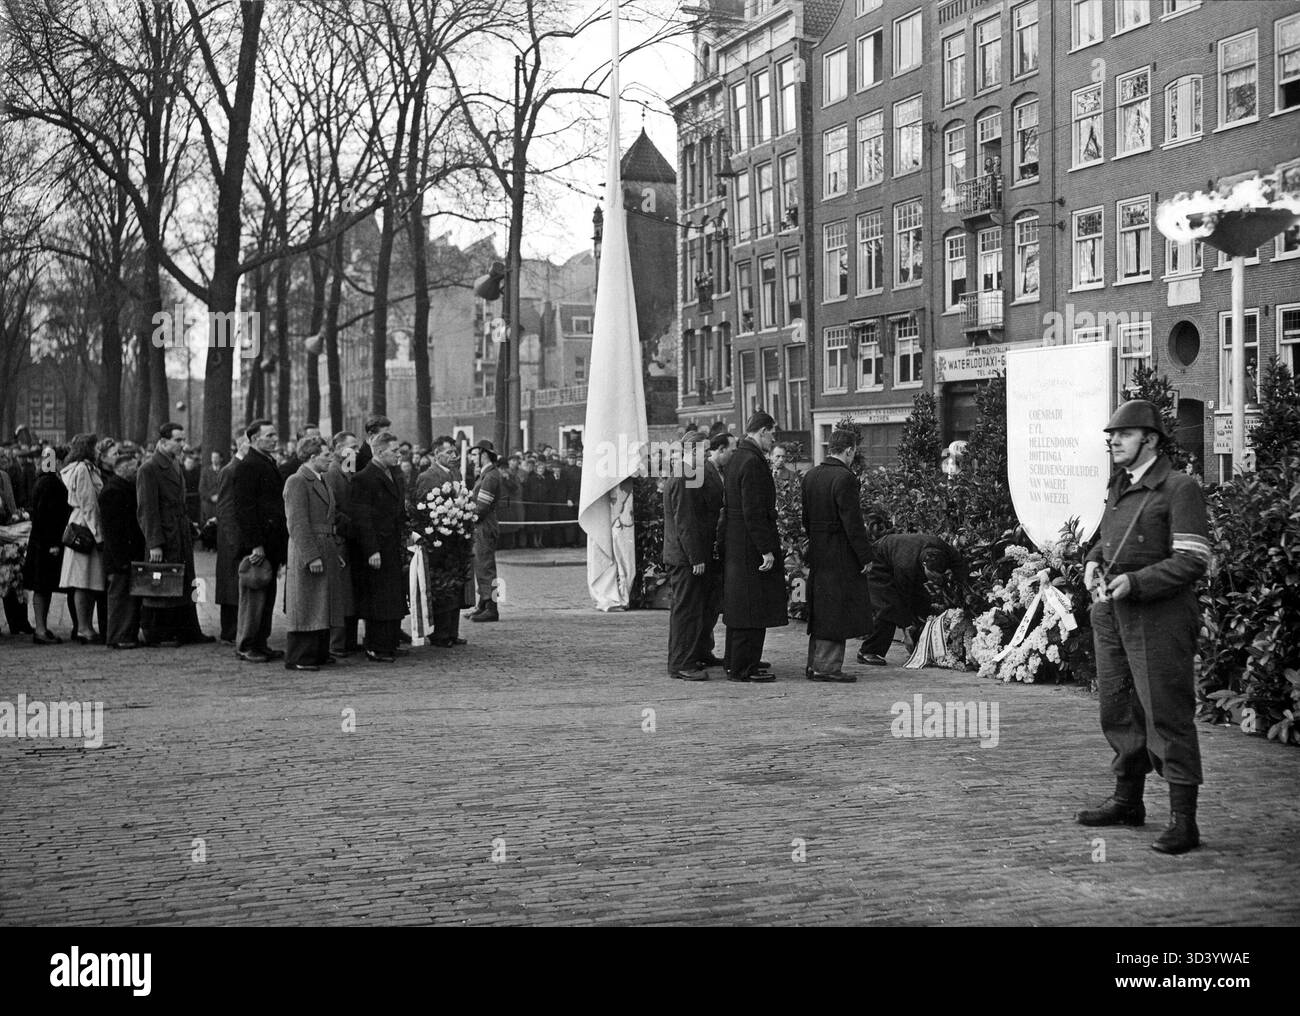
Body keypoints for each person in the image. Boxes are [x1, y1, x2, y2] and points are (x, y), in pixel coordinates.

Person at [1077, 400, 1212, 855]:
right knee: (1118, 711)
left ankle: (1183, 821)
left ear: (1150, 440)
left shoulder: (1179, 488)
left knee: (1165, 712)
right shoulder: (1121, 484)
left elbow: (1193, 559)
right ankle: (1127, 801)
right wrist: (1092, 561)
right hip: (1112, 615)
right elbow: (1105, 540)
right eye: (1111, 436)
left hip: (1160, 618)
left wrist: (1136, 582)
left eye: (1124, 434)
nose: (1114, 441)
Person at [801, 428, 873, 682]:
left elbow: (805, 519)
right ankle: (827, 667)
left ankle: (815, 663)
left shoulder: (811, 475)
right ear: (849, 450)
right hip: (840, 552)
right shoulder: (845, 478)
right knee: (836, 609)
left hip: (818, 549)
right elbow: (853, 523)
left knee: (821, 607)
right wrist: (865, 556)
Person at [719, 412, 786, 682]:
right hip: (750, 545)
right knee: (754, 606)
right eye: (772, 434)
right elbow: (754, 510)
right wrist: (765, 548)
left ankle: (735, 661)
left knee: (740, 606)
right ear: (762, 431)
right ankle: (745, 667)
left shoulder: (737, 457)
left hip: (737, 542)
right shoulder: (753, 462)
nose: (773, 440)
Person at [136, 423, 213, 646]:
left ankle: (188, 630)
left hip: (179, 533)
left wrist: (189, 526)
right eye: (178, 440)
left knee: (187, 582)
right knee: (161, 583)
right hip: (166, 536)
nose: (183, 444)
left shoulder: (174, 464)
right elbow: (147, 509)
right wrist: (154, 543)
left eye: (183, 439)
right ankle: (158, 633)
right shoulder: (149, 469)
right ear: (163, 442)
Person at [282, 436, 344, 672]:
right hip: (308, 549)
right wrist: (311, 556)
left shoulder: (321, 479)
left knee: (321, 603)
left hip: (324, 546)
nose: (331, 459)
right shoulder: (297, 481)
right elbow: (297, 523)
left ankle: (317, 652)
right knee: (307, 604)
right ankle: (300, 656)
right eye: (326, 455)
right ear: (312, 456)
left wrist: (333, 551)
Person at [858, 533, 963, 666]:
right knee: (889, 608)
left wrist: (963, 592)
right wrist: (906, 632)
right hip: (879, 562)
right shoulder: (906, 566)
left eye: (938, 577)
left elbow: (961, 566)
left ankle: (922, 646)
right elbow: (903, 598)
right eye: (932, 576)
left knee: (924, 603)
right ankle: (868, 651)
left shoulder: (946, 551)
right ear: (924, 565)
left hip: (903, 556)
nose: (935, 581)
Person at [233, 419, 289, 663]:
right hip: (259, 545)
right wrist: (255, 544)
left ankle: (260, 642)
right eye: (269, 436)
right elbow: (244, 509)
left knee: (266, 597)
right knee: (254, 596)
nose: (275, 439)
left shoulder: (265, 462)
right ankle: (246, 645)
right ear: (255, 439)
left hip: (270, 543)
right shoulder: (249, 466)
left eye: (275, 435)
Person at [351, 432, 407, 661]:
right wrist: (371, 549)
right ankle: (375, 645)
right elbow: (362, 518)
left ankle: (389, 642)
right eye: (394, 451)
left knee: (392, 595)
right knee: (378, 598)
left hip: (391, 544)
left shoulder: (392, 473)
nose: (399, 455)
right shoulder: (364, 478)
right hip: (378, 547)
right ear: (380, 451)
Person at [662, 431, 713, 680]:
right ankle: (682, 664)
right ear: (693, 451)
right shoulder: (685, 476)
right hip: (684, 558)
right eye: (705, 451)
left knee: (686, 610)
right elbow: (685, 522)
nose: (708, 456)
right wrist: (696, 557)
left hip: (680, 555)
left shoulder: (683, 474)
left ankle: (685, 659)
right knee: (685, 612)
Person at [413, 435, 468, 647]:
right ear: (437, 454)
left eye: (455, 452)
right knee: (441, 586)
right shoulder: (427, 476)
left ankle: (452, 631)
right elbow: (422, 509)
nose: (454, 456)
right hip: (438, 538)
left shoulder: (456, 473)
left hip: (456, 536)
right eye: (449, 452)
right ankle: (439, 633)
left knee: (456, 584)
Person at [59, 433, 106, 645]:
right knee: (83, 580)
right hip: (86, 527)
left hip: (80, 523)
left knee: (86, 579)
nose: (97, 451)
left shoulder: (78, 468)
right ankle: (83, 627)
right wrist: (98, 534)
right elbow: (89, 505)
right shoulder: (83, 470)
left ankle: (85, 626)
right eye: (95, 447)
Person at [99, 443, 145, 649]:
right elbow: (112, 532)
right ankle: (118, 635)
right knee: (119, 597)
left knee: (127, 597)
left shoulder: (120, 488)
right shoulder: (113, 492)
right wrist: (121, 560)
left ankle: (126, 634)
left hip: (125, 554)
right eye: (134, 469)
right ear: (124, 470)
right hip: (120, 556)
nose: (137, 473)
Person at [22, 446, 70, 644]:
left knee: (43, 586)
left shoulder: (42, 481)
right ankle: (40, 629)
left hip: (41, 542)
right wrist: (53, 543)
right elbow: (47, 516)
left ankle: (41, 627)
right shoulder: (50, 483)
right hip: (46, 543)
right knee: (42, 586)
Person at [698, 432, 734, 666]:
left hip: (718, 545)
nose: (733, 454)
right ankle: (699, 650)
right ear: (720, 449)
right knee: (705, 604)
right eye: (731, 449)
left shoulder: (723, 471)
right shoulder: (703, 471)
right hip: (708, 545)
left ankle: (706, 650)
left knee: (713, 604)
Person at [324, 430, 360, 658]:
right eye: (352, 447)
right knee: (340, 593)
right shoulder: (332, 473)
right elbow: (332, 509)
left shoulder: (348, 470)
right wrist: (352, 524)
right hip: (340, 539)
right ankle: (337, 643)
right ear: (338, 449)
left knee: (350, 594)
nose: (356, 451)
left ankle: (348, 640)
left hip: (349, 537)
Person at [214, 431, 248, 644]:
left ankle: (237, 628)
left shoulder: (241, 468)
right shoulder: (230, 470)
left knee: (235, 584)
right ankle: (230, 630)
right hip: (233, 539)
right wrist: (234, 540)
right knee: (231, 586)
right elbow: (225, 508)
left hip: (239, 537)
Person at [465, 438, 502, 622]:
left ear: (484, 454)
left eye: (474, 454)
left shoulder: (490, 476)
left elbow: (481, 508)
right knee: (481, 565)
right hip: (482, 525)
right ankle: (483, 603)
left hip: (484, 526)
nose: (472, 458)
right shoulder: (485, 474)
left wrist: (466, 515)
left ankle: (492, 608)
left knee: (486, 567)